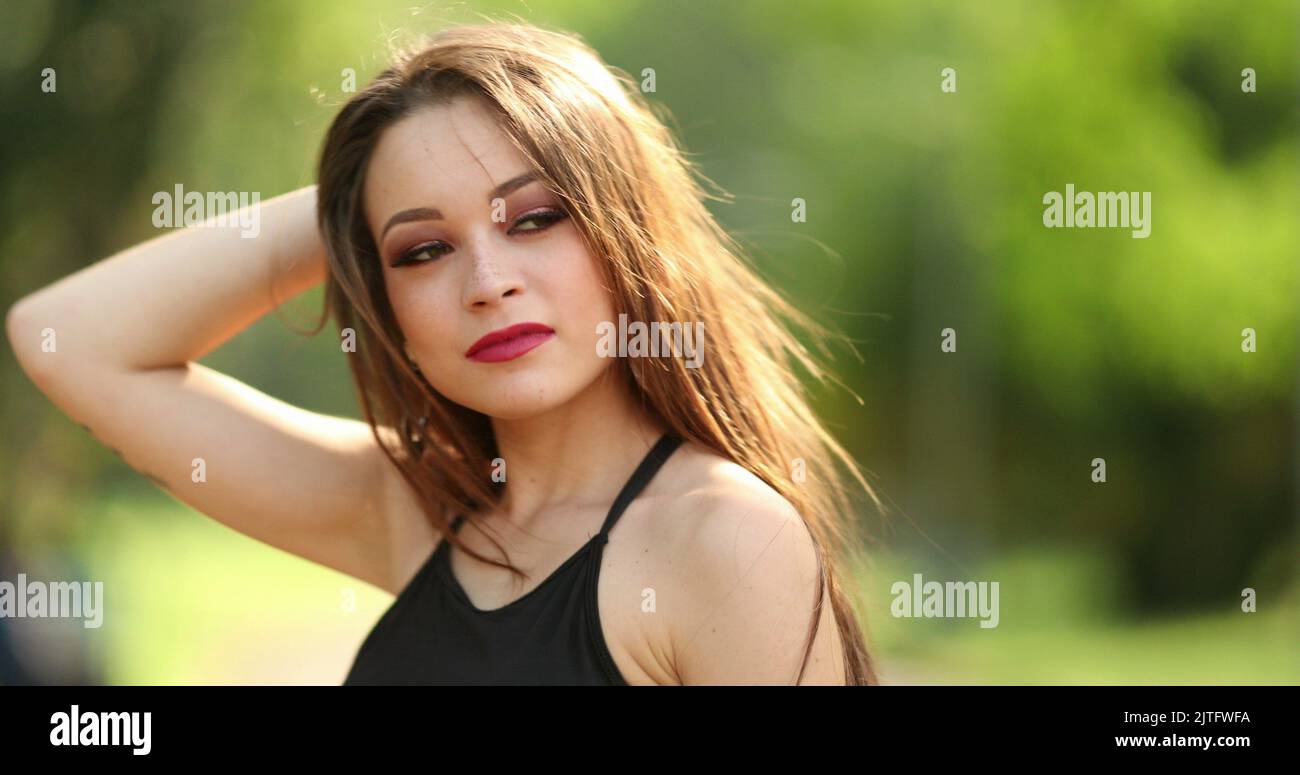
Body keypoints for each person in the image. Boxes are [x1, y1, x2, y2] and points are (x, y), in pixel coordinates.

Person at [7, 21, 881, 685]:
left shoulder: (724, 538)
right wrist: (359, 195)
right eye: (422, 250)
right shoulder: (414, 508)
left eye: (535, 217)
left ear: (628, 231)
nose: (487, 282)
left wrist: (412, 188)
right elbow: (70, 338)